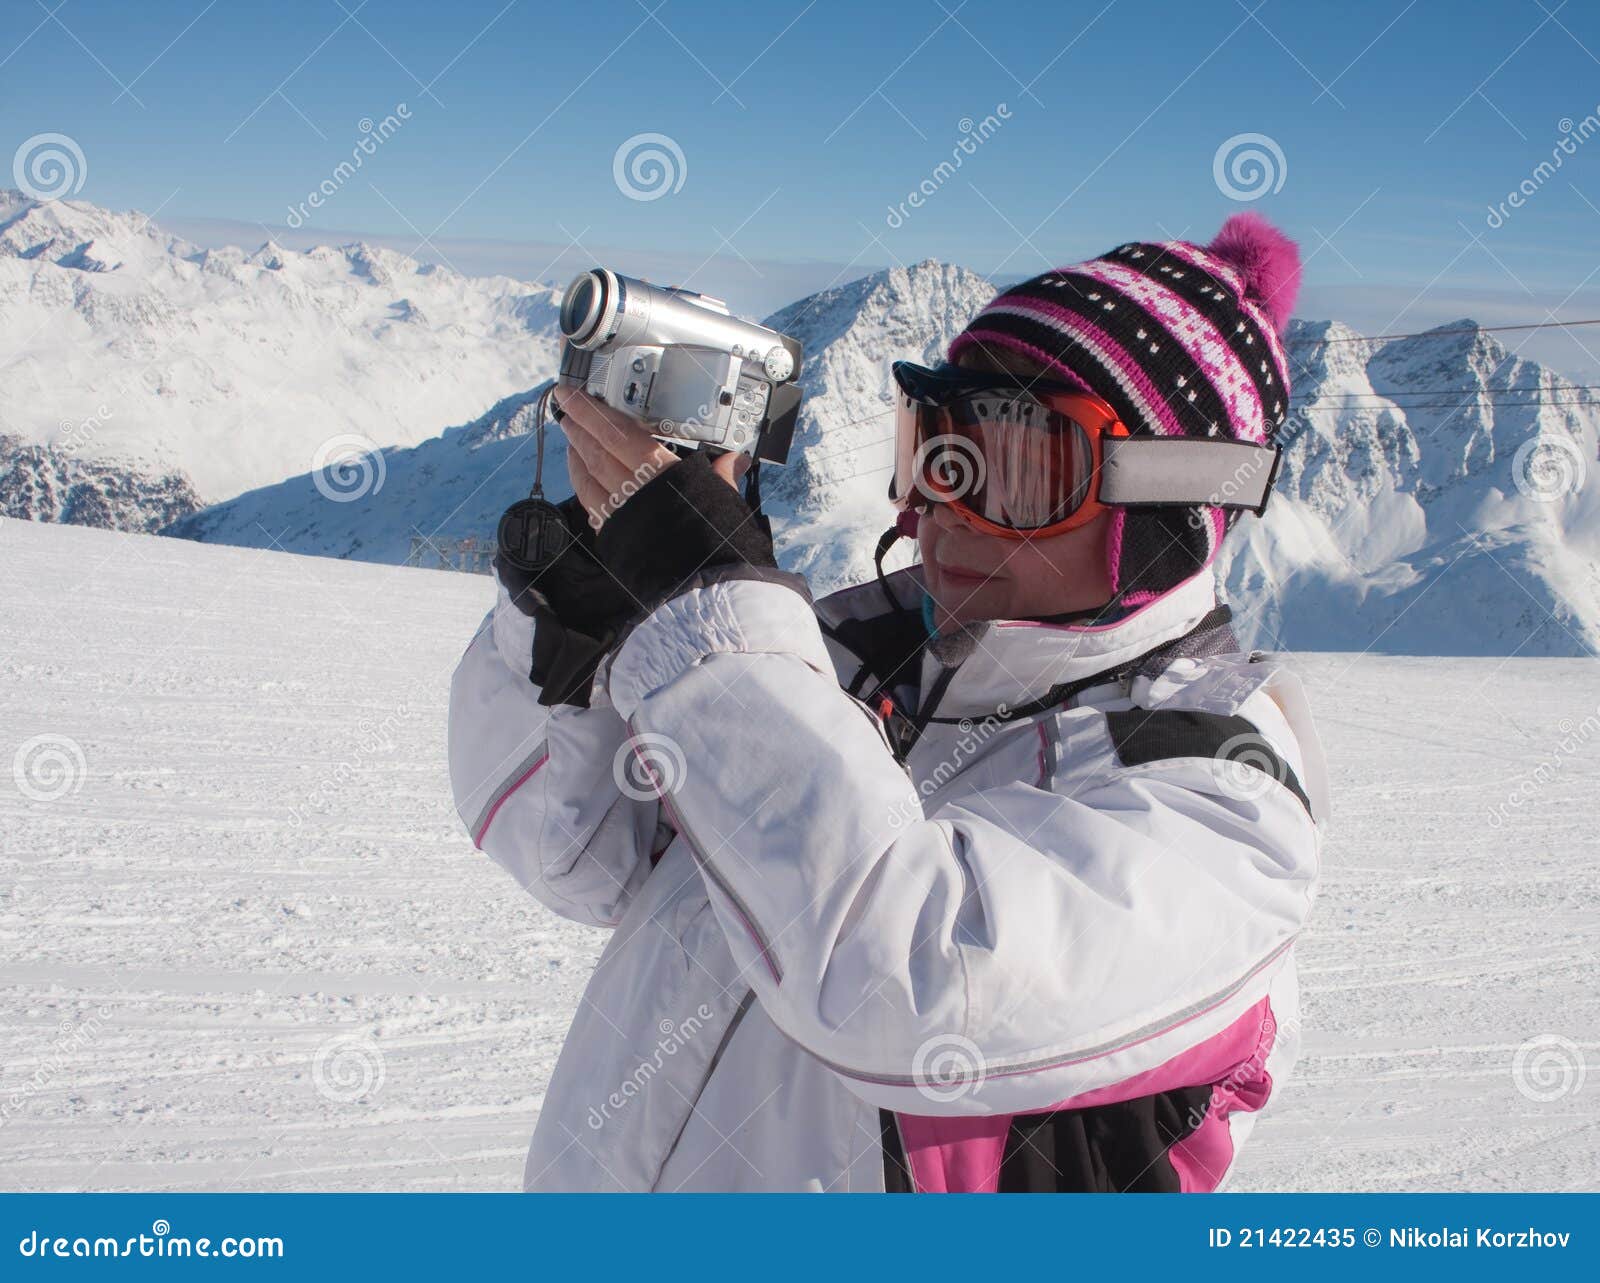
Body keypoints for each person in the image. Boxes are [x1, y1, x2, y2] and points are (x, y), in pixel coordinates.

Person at [446, 212, 1328, 1192]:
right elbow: (577, 851)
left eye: (1020, 468)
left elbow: (904, 981)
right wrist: (579, 613)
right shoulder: (853, 662)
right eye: (934, 445)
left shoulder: (1223, 802)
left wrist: (711, 610)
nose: (943, 504)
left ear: (1169, 513)